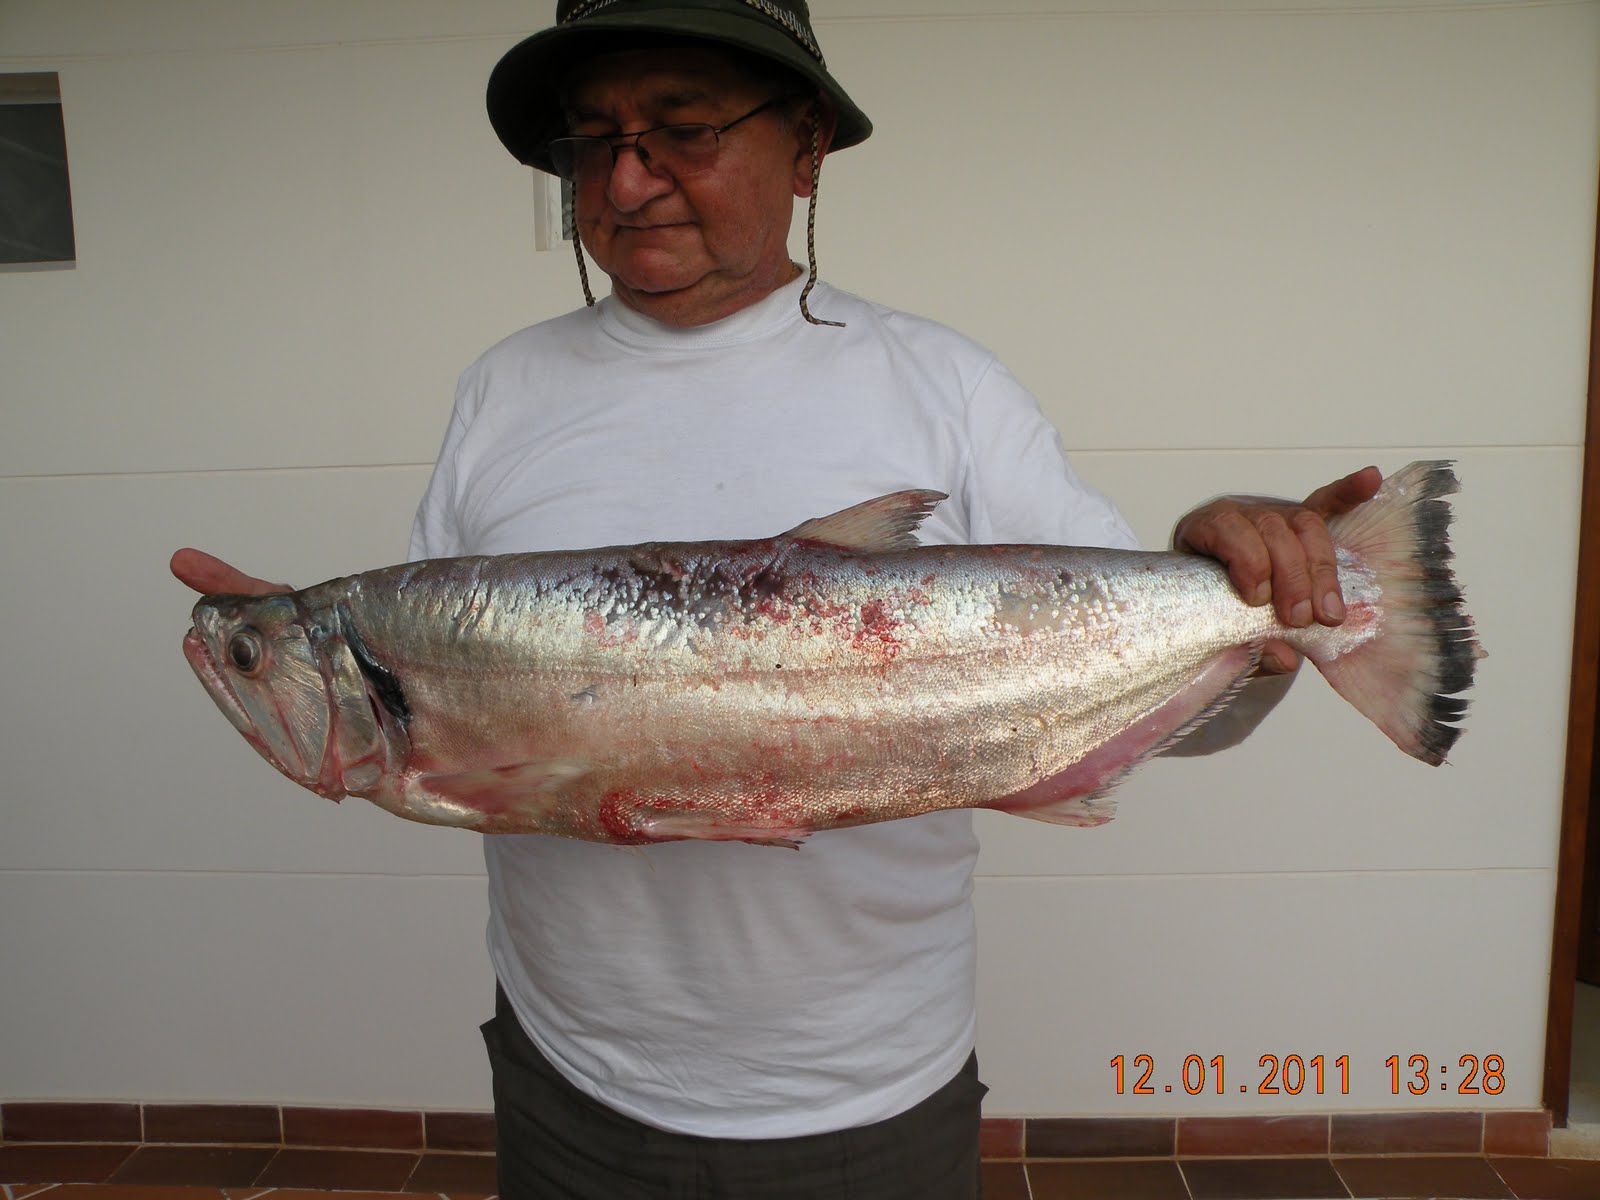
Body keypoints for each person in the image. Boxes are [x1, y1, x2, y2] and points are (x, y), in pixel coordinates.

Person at [172, 2, 1379, 1196]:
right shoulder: (503, 388)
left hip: (868, 1091)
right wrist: (298, 649)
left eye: (683, 128)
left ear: (805, 147)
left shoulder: (944, 384)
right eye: (594, 140)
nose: (628, 180)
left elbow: (1198, 724)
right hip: (568, 1072)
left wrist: (1263, 614)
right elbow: (456, 688)